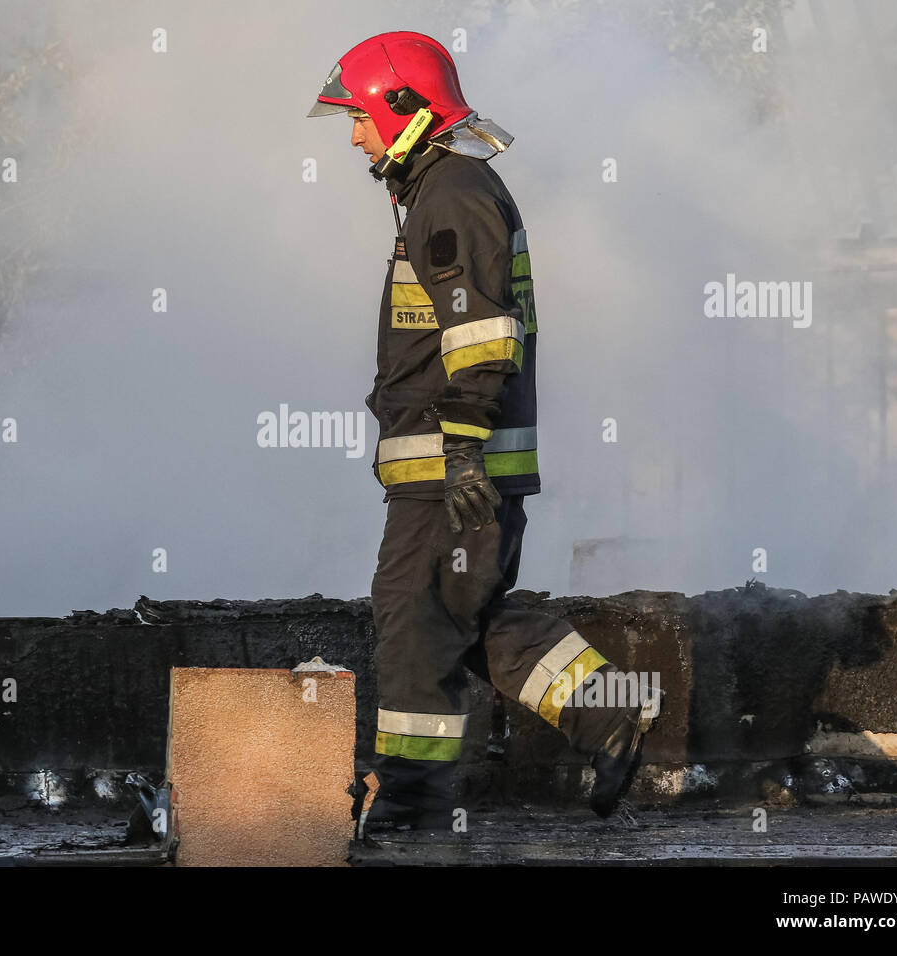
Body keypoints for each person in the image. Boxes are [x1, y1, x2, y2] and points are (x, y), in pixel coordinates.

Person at [307, 32, 659, 831]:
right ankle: (608, 714)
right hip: (453, 464)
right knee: (469, 616)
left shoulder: (452, 191)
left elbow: (482, 333)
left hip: (451, 469)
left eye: (358, 116)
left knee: (411, 619)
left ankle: (411, 809)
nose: (354, 134)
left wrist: (462, 446)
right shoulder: (445, 188)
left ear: (401, 106)